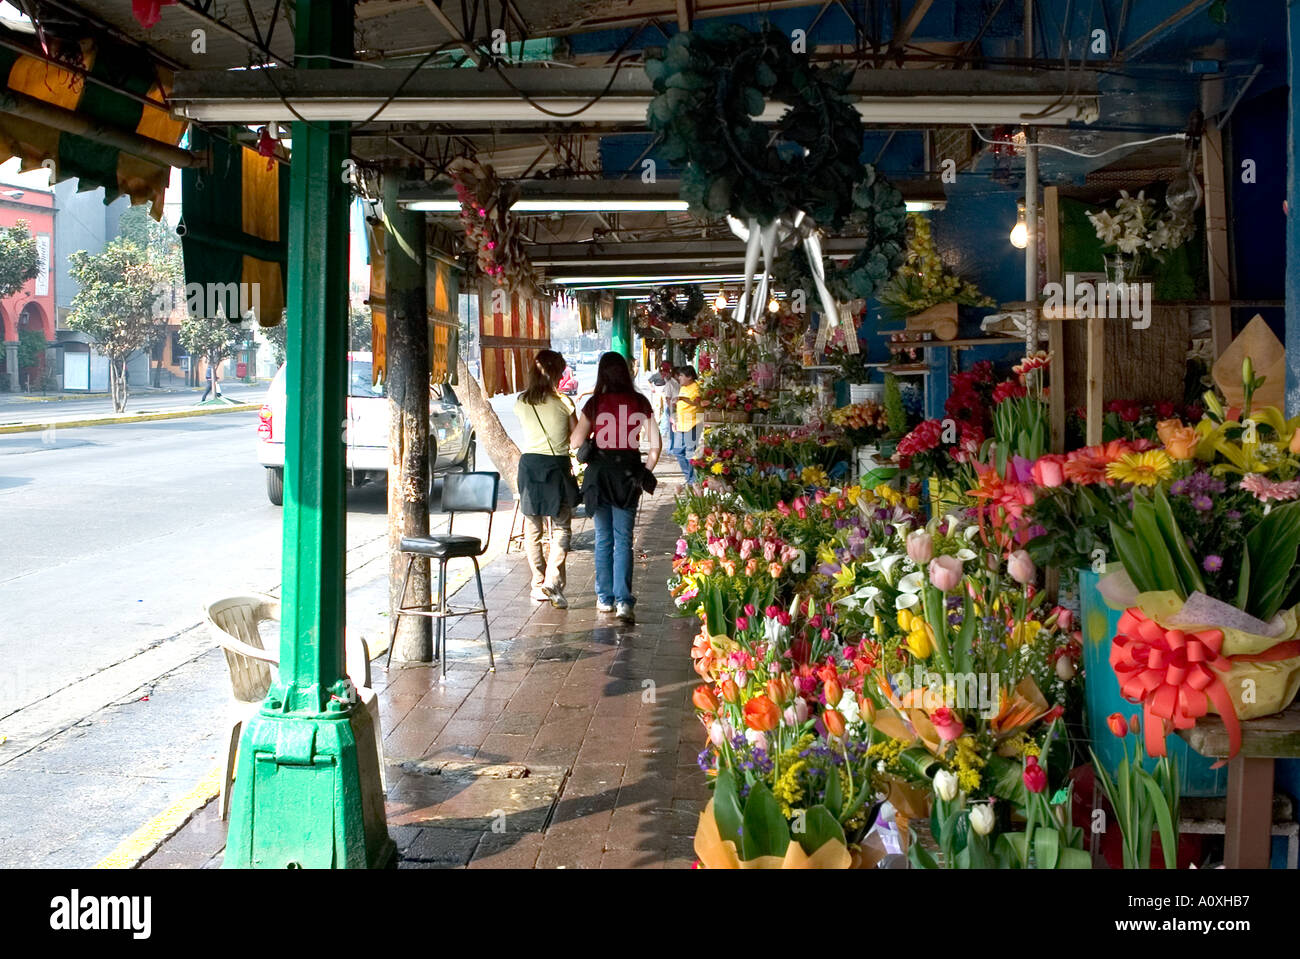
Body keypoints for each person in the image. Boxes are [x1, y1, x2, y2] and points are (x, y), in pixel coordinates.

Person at [570, 351, 661, 623]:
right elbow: (655, 446)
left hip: (599, 477)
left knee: (603, 538)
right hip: (628, 475)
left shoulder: (594, 404)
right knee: (623, 540)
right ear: (626, 372)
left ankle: (604, 598)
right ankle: (624, 602)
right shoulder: (640, 401)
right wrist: (645, 471)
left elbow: (575, 442)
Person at [514, 349, 578, 609]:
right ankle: (553, 580)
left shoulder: (521, 402)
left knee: (533, 527)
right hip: (557, 466)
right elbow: (576, 436)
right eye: (562, 371)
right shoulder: (564, 403)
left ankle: (538, 584)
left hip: (530, 466)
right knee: (561, 526)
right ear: (555, 373)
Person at [673, 365, 700, 485]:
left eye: (682, 375)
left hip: (693, 424)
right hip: (681, 424)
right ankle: (688, 477)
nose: (679, 378)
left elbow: (696, 402)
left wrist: (683, 399)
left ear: (689, 377)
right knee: (678, 451)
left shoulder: (697, 387)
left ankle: (692, 480)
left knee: (690, 453)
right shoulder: (683, 387)